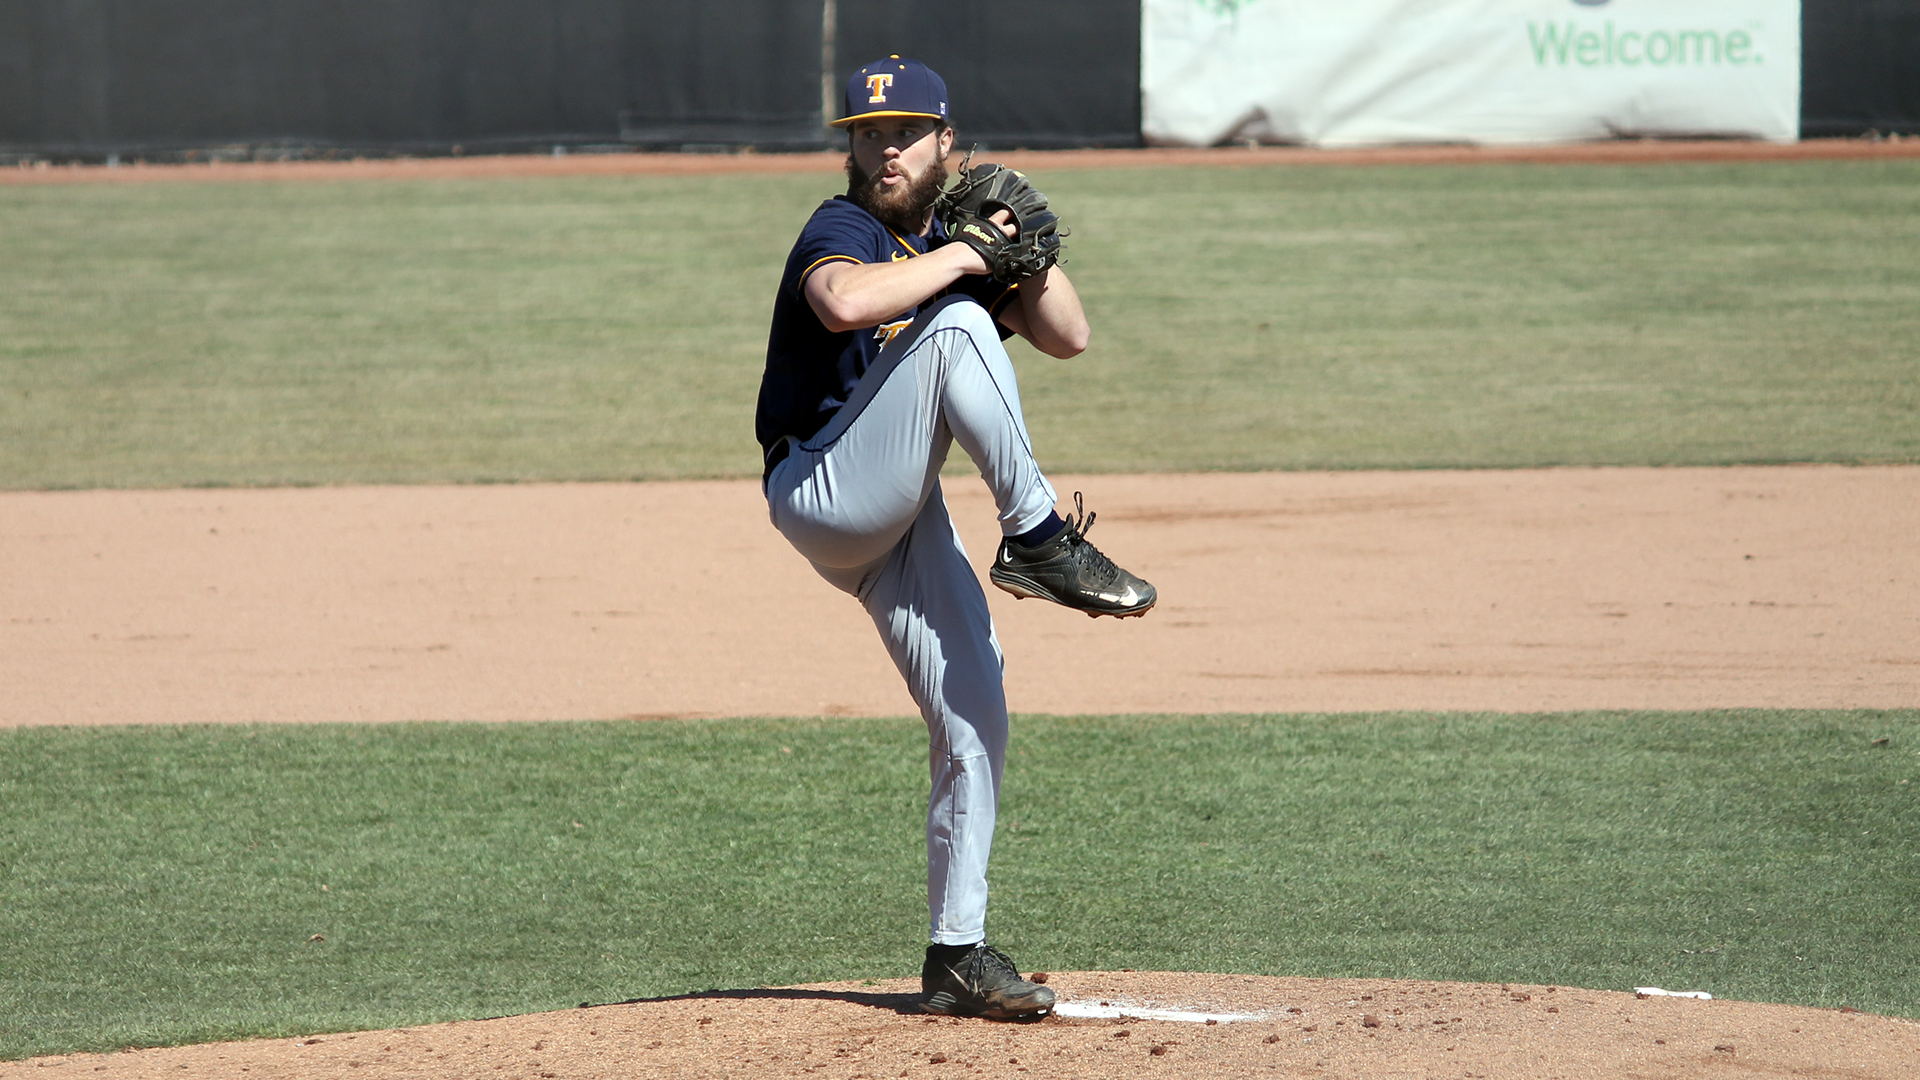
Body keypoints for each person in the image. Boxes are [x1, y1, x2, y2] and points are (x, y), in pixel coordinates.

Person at [755, 55, 1156, 1020]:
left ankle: (956, 954)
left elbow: (1069, 335)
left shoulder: (949, 236)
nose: (883, 149)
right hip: (822, 482)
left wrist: (1028, 253)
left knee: (976, 704)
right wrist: (972, 263)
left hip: (897, 518)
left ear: (945, 141)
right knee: (959, 328)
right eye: (867, 133)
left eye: (904, 133)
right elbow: (845, 302)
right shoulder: (842, 226)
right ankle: (1036, 535)